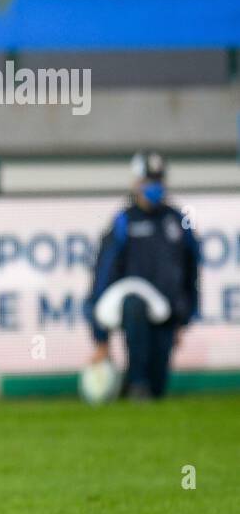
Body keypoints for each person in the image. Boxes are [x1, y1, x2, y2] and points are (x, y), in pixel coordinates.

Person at [85, 151, 201, 400]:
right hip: (133, 307)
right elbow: (103, 274)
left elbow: (192, 270)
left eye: (158, 181)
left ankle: (133, 385)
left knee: (157, 388)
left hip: (167, 309)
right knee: (141, 375)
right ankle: (135, 382)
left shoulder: (178, 220)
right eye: (148, 181)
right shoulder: (124, 221)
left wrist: (184, 317)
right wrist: (100, 336)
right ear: (136, 183)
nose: (154, 187)